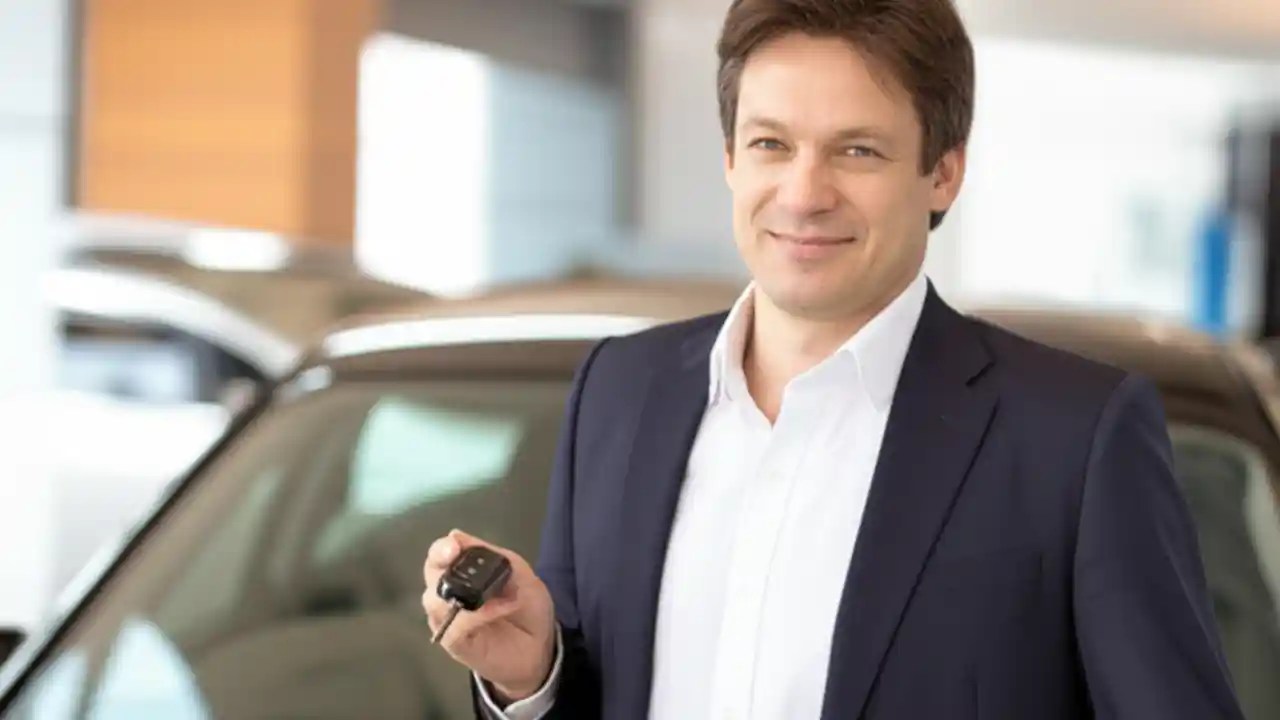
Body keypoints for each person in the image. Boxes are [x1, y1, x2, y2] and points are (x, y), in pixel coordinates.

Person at [423, 0, 1246, 717]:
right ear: (731, 158)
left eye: (857, 150)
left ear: (944, 173)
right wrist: (531, 678)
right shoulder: (618, 391)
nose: (805, 192)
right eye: (773, 143)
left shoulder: (1075, 438)